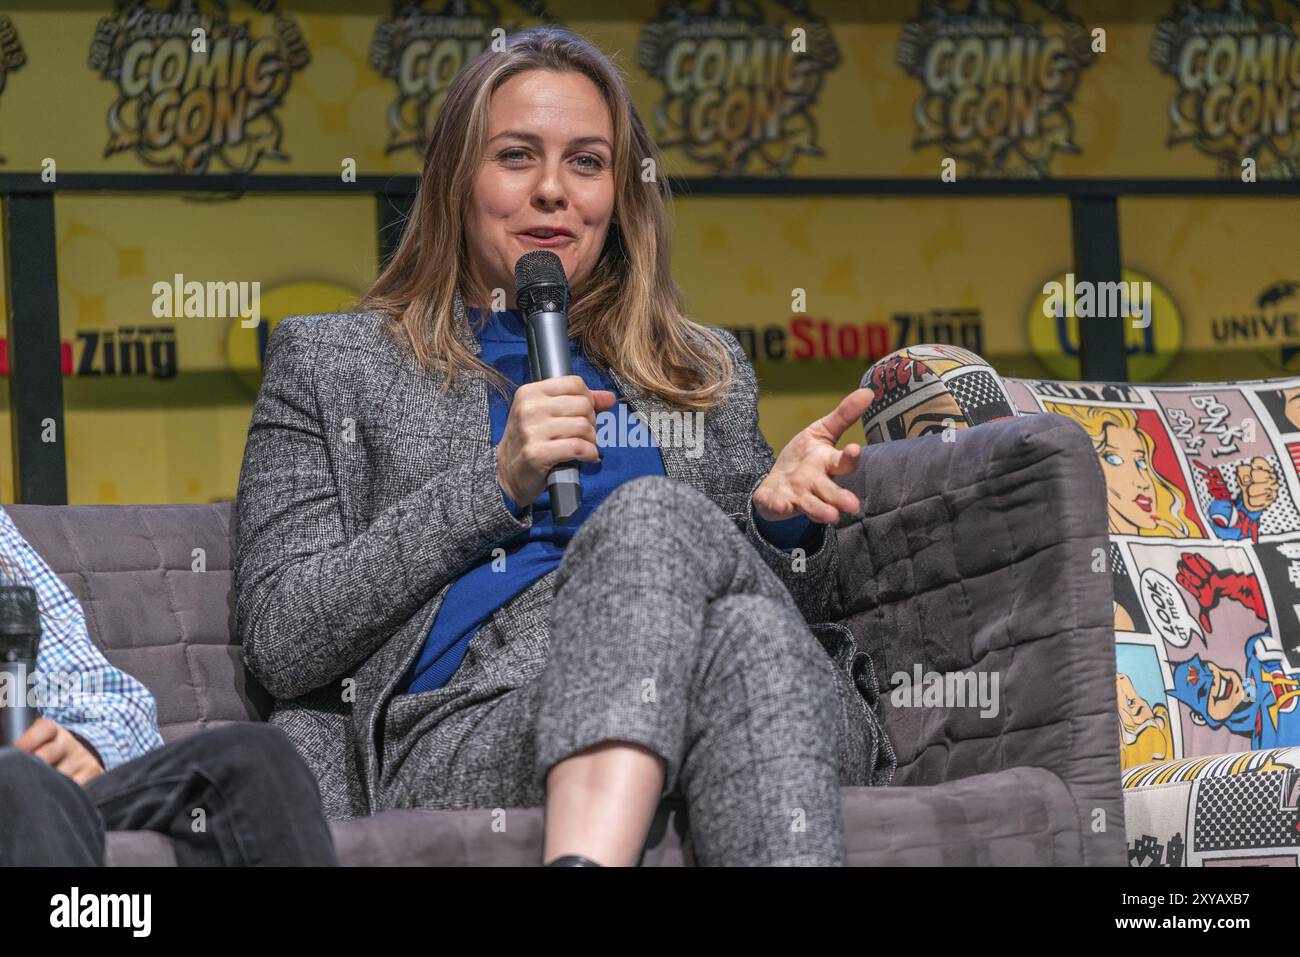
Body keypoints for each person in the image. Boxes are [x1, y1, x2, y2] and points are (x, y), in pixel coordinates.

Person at [234, 25, 889, 867]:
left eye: (586, 162)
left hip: (749, 685)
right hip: (479, 719)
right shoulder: (334, 362)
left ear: (619, 195)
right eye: (516, 156)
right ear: (456, 180)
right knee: (730, 627)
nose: (553, 191)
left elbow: (797, 613)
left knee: (730, 611)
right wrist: (496, 483)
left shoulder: (699, 367)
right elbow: (286, 640)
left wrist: (780, 529)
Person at [0, 505, 338, 867]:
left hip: (41, 790)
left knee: (249, 757)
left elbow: (99, 691)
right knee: (16, 781)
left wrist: (88, 748)